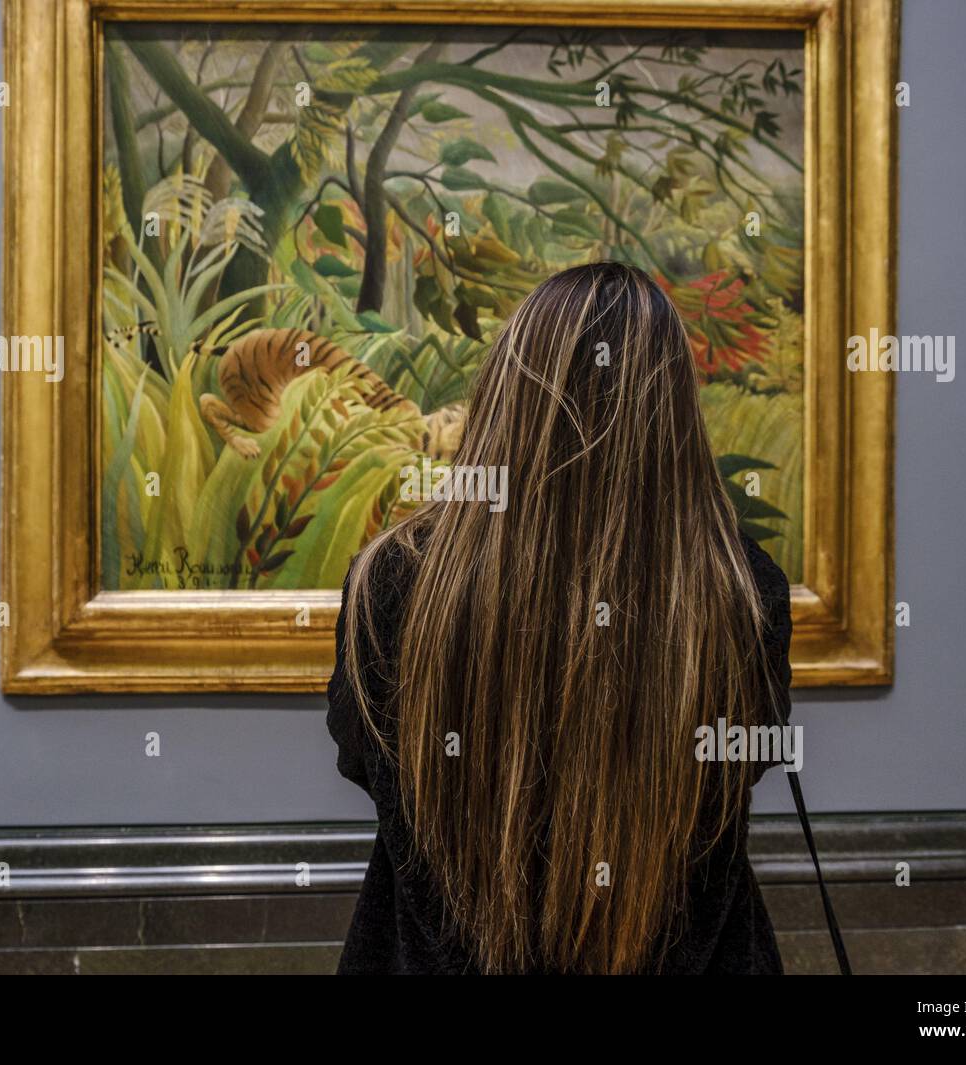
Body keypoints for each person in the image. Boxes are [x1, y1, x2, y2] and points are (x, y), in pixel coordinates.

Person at [327, 261, 793, 975]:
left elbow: (361, 758)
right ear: (673, 408)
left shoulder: (389, 582)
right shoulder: (738, 587)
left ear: (505, 392)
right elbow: (746, 763)